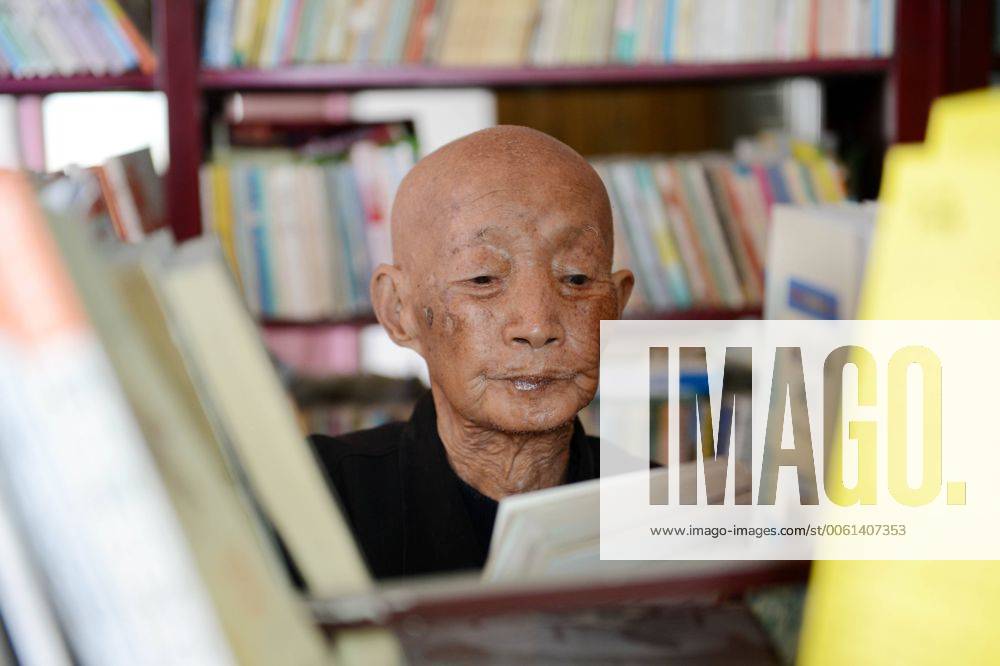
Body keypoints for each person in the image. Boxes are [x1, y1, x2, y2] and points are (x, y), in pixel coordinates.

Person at [311, 125, 634, 579]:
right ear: (398, 310)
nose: (538, 326)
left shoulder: (663, 508)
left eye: (577, 278)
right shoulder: (313, 503)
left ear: (616, 306)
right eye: (482, 279)